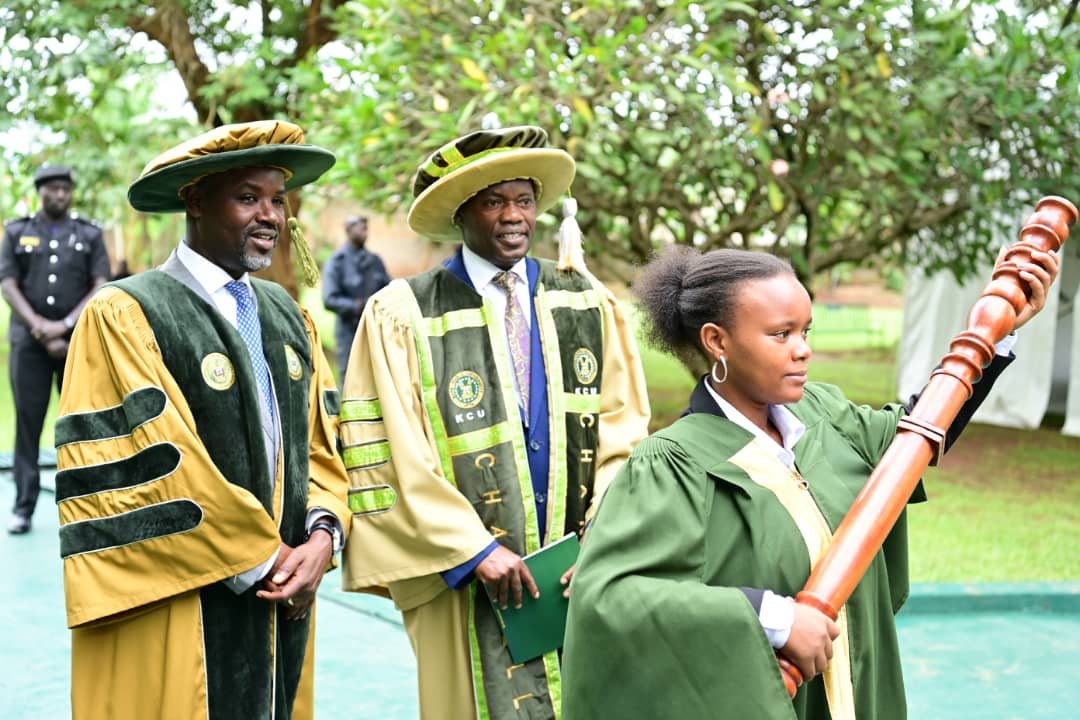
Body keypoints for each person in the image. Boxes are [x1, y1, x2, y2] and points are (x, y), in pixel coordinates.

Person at [561, 245, 1057, 719]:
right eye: (781, 335)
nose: (804, 350)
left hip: (860, 689)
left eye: (806, 330)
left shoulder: (825, 416)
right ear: (717, 341)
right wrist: (772, 618)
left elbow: (918, 433)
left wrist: (997, 333)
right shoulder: (672, 465)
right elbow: (610, 594)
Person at [337, 125, 651, 719]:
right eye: (494, 201)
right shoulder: (402, 312)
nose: (514, 217)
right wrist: (473, 549)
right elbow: (385, 448)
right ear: (461, 213)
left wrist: (600, 536)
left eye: (524, 201)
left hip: (574, 573)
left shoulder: (583, 300)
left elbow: (622, 433)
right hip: (462, 578)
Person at [53, 120, 350, 720]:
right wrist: (267, 561)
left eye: (277, 199)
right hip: (181, 600)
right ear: (195, 200)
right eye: (247, 197)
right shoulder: (127, 311)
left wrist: (322, 537)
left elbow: (324, 447)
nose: (269, 215)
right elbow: (152, 462)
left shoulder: (289, 316)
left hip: (289, 588)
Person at [0, 165, 111, 534]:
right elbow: (7, 281)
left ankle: (87, 506)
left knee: (81, 423)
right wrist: (39, 326)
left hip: (75, 342)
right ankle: (23, 508)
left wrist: (64, 327)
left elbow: (100, 283)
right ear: (40, 192)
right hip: (27, 346)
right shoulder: (17, 231)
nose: (60, 195)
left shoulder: (89, 234)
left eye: (65, 189)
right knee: (28, 426)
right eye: (53, 189)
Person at [321, 214, 390, 374]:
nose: (364, 231)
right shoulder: (337, 261)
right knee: (350, 376)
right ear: (348, 230)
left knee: (378, 375)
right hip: (348, 331)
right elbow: (329, 299)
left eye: (366, 227)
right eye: (360, 227)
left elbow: (389, 289)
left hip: (375, 329)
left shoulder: (374, 261)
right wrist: (357, 306)